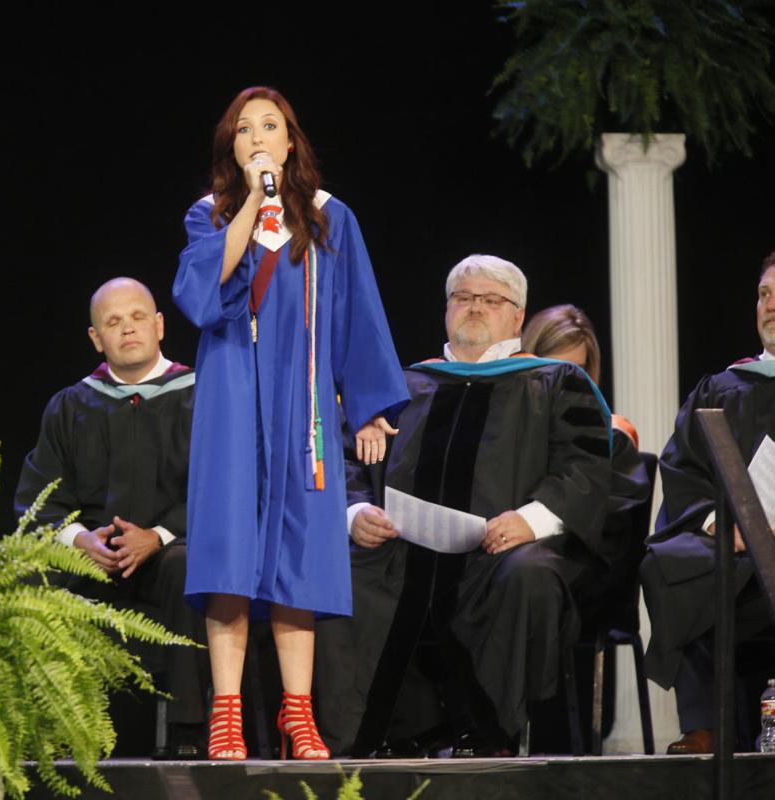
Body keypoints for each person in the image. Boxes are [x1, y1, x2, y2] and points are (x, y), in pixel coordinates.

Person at [173, 86, 409, 760]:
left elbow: (358, 311)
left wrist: (365, 405)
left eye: (268, 126)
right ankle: (225, 715)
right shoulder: (210, 215)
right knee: (229, 556)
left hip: (302, 407)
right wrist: (253, 203)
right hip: (232, 397)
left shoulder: (333, 220)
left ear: (290, 142)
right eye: (243, 130)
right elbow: (200, 296)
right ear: (234, 149)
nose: (256, 137)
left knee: (298, 558)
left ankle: (297, 714)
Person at [315, 255, 612, 758]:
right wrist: (355, 512)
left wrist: (529, 519)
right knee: (336, 571)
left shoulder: (556, 381)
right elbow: (346, 459)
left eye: (491, 299)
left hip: (500, 551)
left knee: (527, 576)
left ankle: (491, 736)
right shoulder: (401, 386)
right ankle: (369, 741)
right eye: (464, 297)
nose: (475, 307)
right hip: (400, 549)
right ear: (446, 309)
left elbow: (584, 466)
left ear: (517, 316)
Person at [14, 276, 209, 758]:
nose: (128, 330)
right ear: (96, 338)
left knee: (189, 566)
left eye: (138, 317)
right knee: (26, 573)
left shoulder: (199, 395)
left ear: (159, 325)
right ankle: (51, 735)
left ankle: (189, 734)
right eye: (113, 322)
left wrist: (157, 536)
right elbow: (38, 499)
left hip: (169, 553)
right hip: (92, 563)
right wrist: (82, 542)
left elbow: (218, 488)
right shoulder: (70, 405)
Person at [641, 252, 775, 755]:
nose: (770, 305)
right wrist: (723, 523)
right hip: (735, 551)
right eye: (764, 294)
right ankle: (707, 724)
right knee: (672, 562)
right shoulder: (721, 388)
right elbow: (684, 471)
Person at [522, 304, 652, 609]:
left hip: (571, 568)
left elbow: (610, 537)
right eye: (555, 371)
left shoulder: (612, 439)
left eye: (577, 373)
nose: (569, 384)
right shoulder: (511, 432)